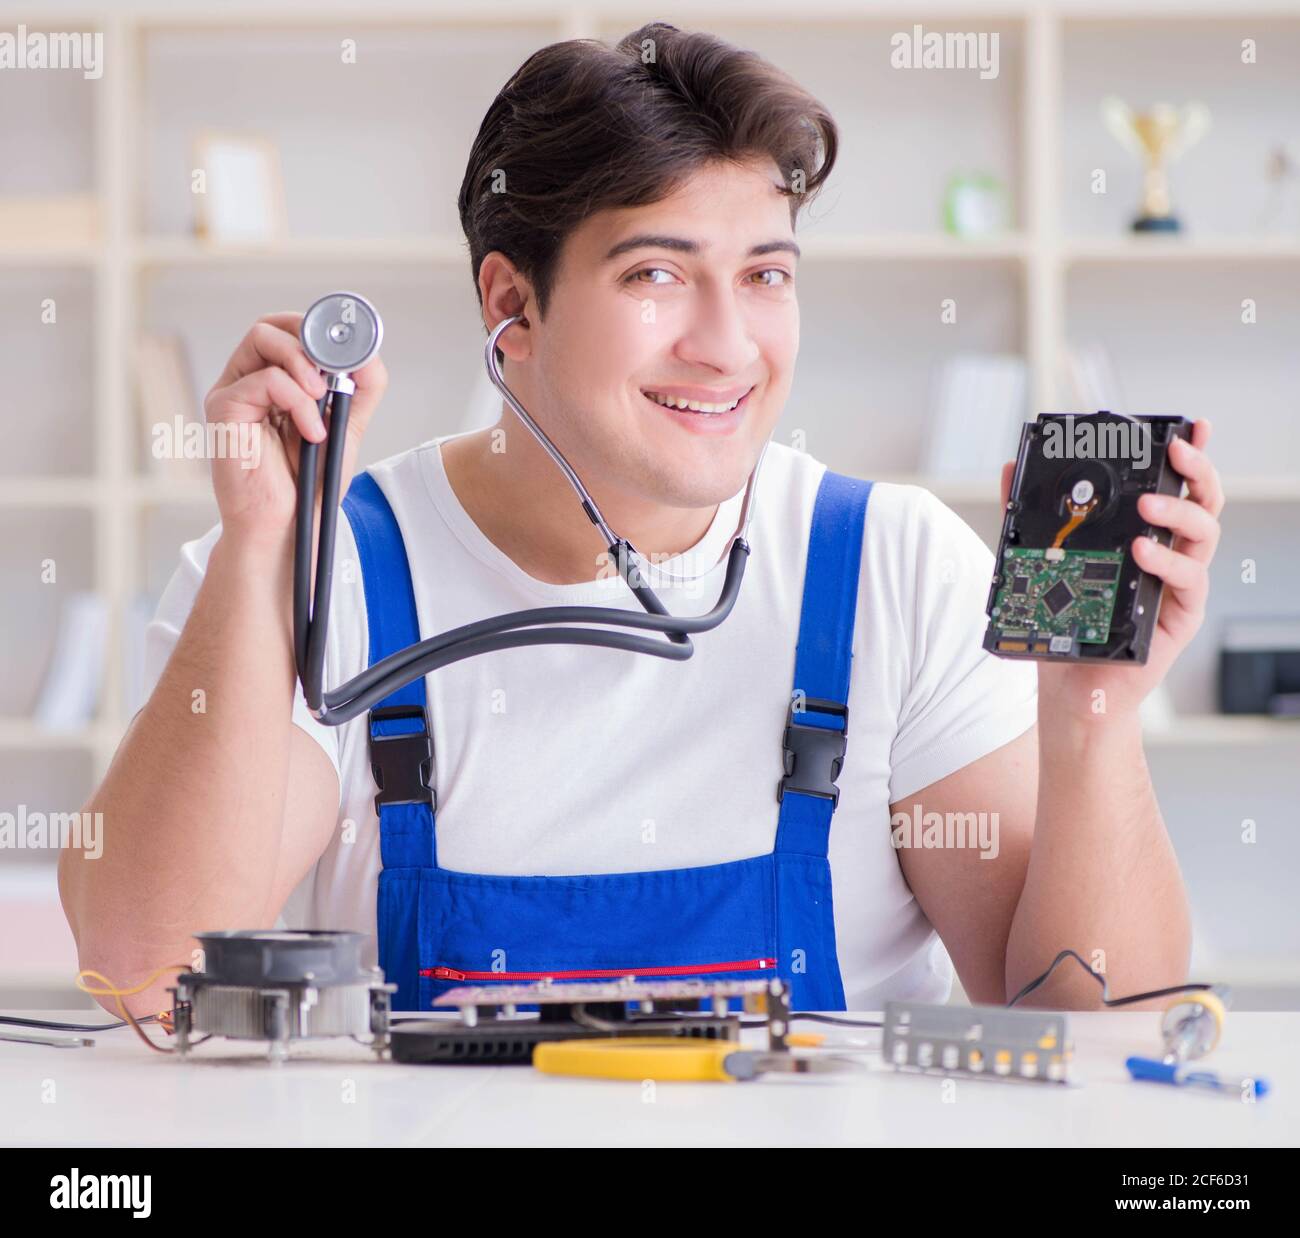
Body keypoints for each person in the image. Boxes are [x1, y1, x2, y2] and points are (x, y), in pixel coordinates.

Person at [61, 22, 1223, 1016]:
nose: (726, 344)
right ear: (510, 303)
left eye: (765, 275)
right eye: (657, 275)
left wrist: (1095, 719)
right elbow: (143, 969)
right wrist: (266, 547)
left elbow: (1095, 1028)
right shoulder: (329, 575)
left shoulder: (890, 567)